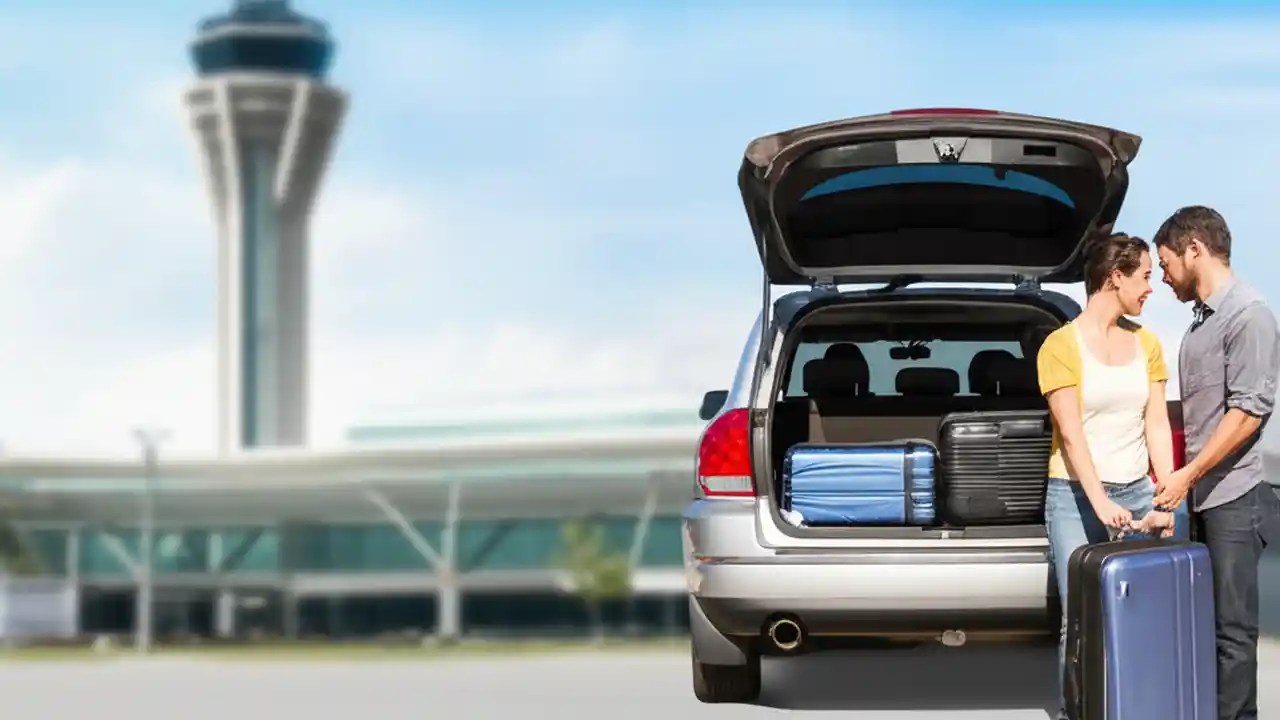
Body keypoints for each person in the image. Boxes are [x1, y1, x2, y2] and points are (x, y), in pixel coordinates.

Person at [1036, 232, 1176, 720]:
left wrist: (1167, 493)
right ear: (1115, 277)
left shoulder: (1148, 344)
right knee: (1081, 619)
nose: (1150, 287)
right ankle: (1080, 712)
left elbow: (1156, 422)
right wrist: (1101, 505)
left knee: (1141, 616)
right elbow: (1072, 436)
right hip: (1074, 497)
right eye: (1144, 276)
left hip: (1136, 491)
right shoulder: (1059, 346)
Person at [1148, 205, 1280, 720]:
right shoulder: (1201, 324)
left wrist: (1186, 475)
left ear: (1194, 250)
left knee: (1233, 636)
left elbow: (1248, 413)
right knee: (1206, 630)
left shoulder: (1249, 315)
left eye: (1165, 262)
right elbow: (1199, 411)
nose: (1162, 276)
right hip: (1204, 496)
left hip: (1236, 499)